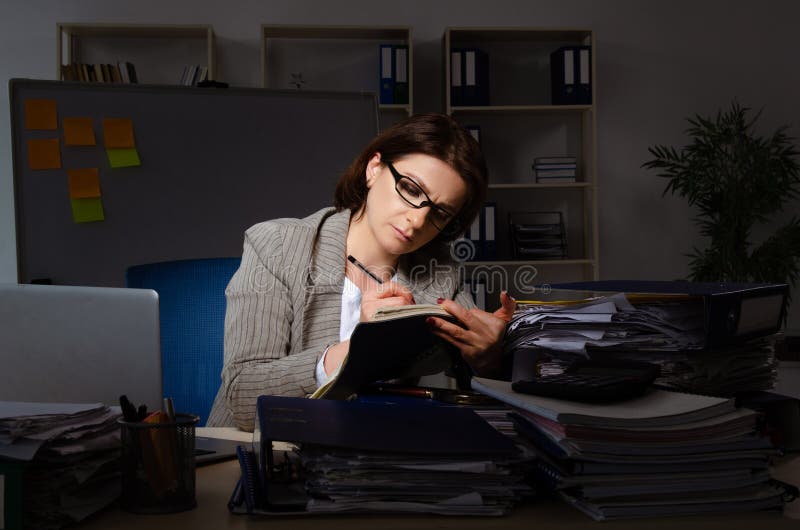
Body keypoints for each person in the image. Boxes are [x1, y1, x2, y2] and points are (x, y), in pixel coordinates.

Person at [207, 113, 516, 431]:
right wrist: (359, 349)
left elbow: (477, 400)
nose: (418, 221)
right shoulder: (276, 245)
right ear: (374, 168)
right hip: (256, 451)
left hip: (364, 458)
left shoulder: (442, 274)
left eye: (439, 212)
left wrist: (487, 361)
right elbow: (243, 398)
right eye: (410, 189)